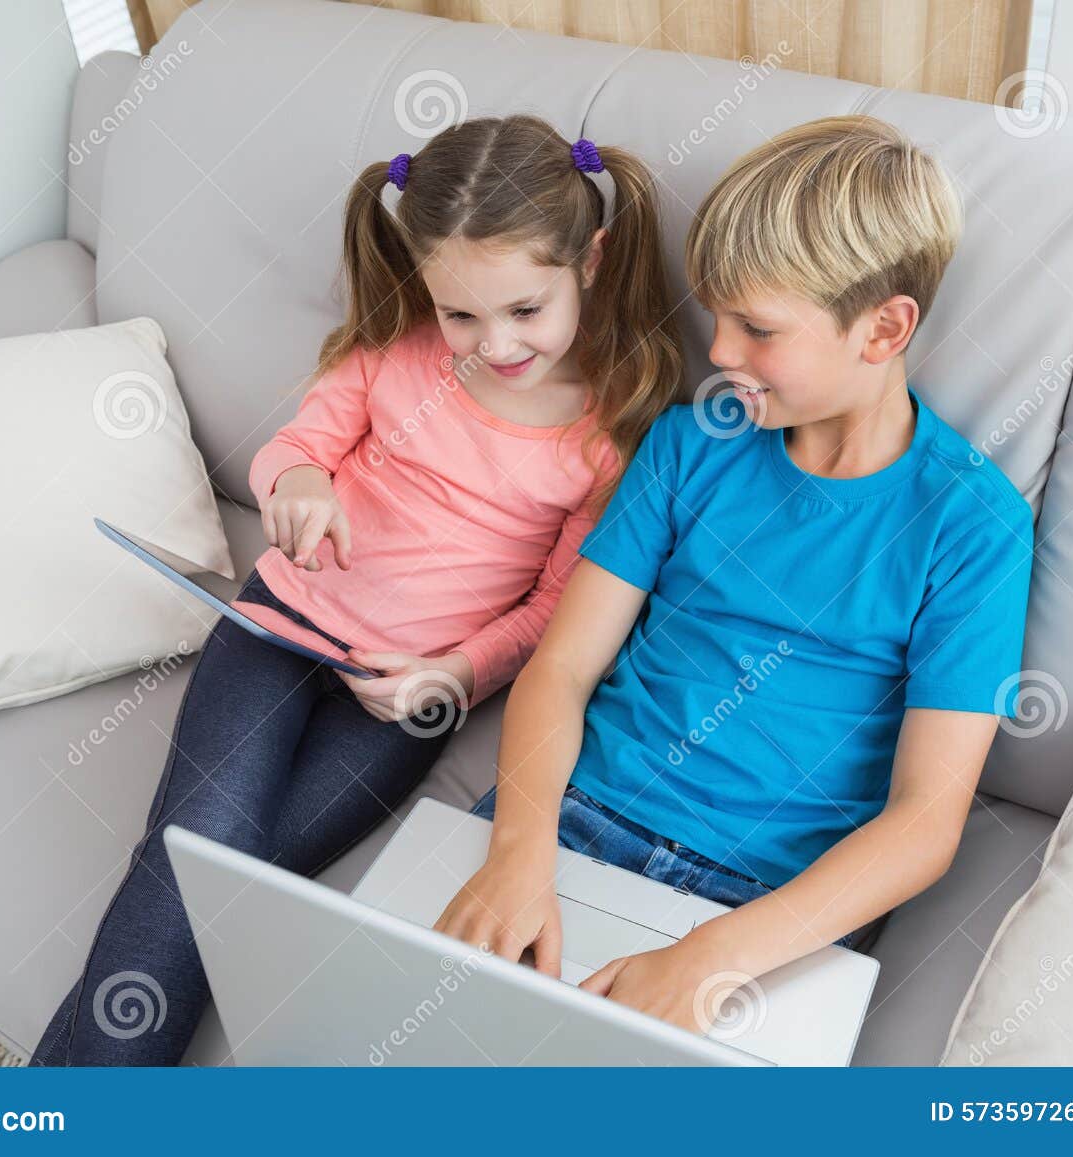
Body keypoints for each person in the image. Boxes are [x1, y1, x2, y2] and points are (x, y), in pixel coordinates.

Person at [32, 114, 684, 1064]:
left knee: (236, 881)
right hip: (276, 629)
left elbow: (555, 610)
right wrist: (296, 485)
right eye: (461, 314)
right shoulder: (396, 353)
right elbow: (299, 449)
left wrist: (453, 674)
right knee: (197, 846)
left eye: (524, 311)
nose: (493, 344)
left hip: (405, 702)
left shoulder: (607, 436)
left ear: (591, 258)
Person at [434, 115, 1035, 1037]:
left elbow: (924, 822)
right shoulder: (688, 446)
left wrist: (711, 957)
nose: (717, 351)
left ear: (885, 328)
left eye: (757, 327)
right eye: (718, 316)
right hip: (575, 821)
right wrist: (520, 851)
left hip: (768, 908)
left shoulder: (973, 526)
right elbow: (560, 669)